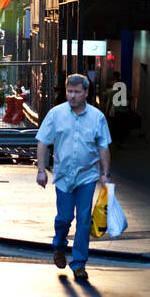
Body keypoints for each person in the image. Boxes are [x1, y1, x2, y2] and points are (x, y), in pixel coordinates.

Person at [37, 74, 112, 284]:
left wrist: (105, 174)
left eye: (77, 92)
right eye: (70, 91)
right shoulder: (56, 114)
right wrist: (41, 169)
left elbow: (103, 146)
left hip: (87, 176)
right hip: (63, 176)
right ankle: (59, 246)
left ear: (86, 93)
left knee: (84, 220)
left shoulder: (97, 117)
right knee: (64, 218)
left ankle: (79, 263)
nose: (73, 96)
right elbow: (43, 141)